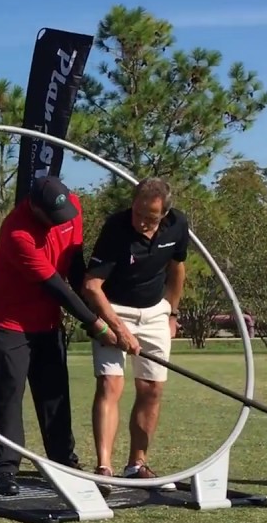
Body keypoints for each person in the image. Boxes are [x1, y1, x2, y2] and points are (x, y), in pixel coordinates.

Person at [0, 176, 119, 496]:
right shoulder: (17, 233)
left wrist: (100, 310)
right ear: (34, 208)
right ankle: (4, 468)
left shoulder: (73, 208)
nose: (59, 223)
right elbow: (56, 287)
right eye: (51, 219)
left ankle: (64, 463)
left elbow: (76, 264)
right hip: (12, 320)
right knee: (9, 394)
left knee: (54, 393)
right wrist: (95, 324)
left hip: (48, 321)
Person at [81, 177, 190, 488]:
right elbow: (91, 286)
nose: (141, 221)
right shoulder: (116, 228)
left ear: (164, 214)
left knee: (152, 389)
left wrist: (172, 312)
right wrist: (116, 328)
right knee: (110, 384)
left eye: (150, 217)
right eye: (138, 212)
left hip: (155, 311)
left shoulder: (178, 225)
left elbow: (177, 267)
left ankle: (136, 464)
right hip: (113, 309)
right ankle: (104, 469)